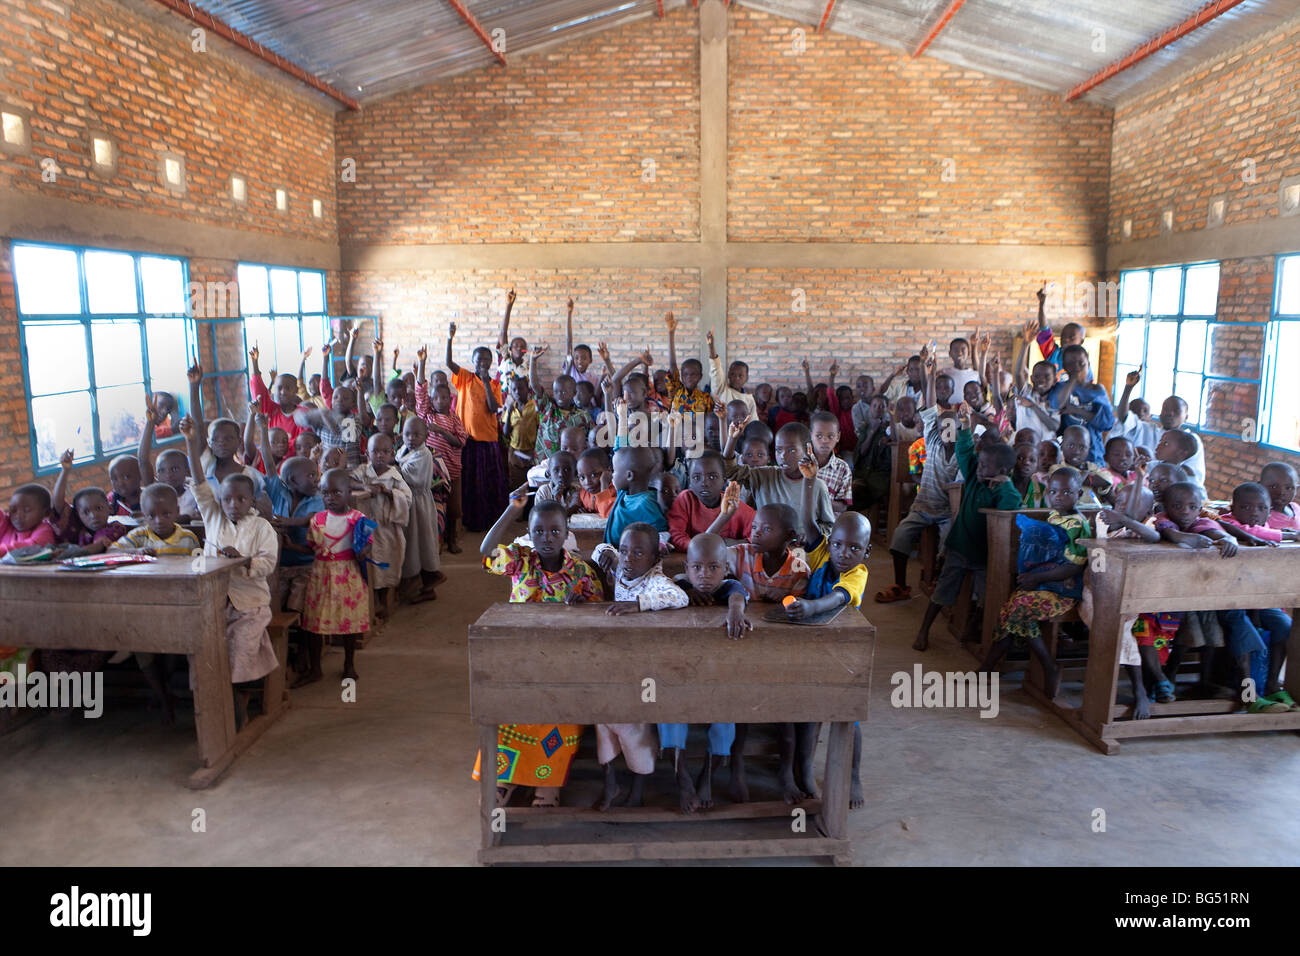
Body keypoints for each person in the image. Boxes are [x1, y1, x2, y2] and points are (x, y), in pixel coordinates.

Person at [474, 493, 603, 808]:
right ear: (529, 534)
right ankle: (506, 778)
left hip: (564, 662)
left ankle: (546, 781)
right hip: (522, 659)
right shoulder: (521, 559)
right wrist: (511, 509)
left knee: (561, 711)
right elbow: (487, 552)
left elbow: (600, 615)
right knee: (509, 708)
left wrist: (583, 606)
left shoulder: (580, 572)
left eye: (555, 531)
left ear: (566, 533)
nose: (547, 538)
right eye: (539, 531)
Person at [179, 415, 279, 722]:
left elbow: (267, 563)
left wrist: (244, 561)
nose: (233, 504)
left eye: (240, 499)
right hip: (215, 602)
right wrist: (189, 440)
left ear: (251, 500)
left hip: (250, 604)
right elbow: (198, 485)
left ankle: (238, 704)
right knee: (204, 651)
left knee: (240, 654)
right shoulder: (213, 518)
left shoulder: (262, 527)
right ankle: (211, 704)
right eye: (227, 499)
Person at [589, 523, 689, 809]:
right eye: (624, 551)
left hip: (646, 670)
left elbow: (679, 597)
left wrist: (638, 604)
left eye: (637, 553)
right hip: (618, 664)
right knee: (603, 718)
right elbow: (600, 549)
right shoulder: (621, 567)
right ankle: (611, 781)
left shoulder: (654, 580)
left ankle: (638, 786)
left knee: (638, 726)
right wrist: (608, 551)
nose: (629, 559)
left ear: (654, 559)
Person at [911, 413, 1020, 652]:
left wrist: (1005, 485)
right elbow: (964, 449)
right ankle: (924, 630)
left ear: (1002, 471)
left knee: (985, 596)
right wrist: (965, 426)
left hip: (984, 555)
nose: (979, 469)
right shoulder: (972, 477)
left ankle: (973, 624)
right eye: (979, 464)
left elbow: (1008, 513)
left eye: (985, 466)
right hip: (959, 548)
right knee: (942, 592)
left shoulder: (1006, 492)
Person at [981, 466, 1091, 700]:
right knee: (1011, 607)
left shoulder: (1078, 524)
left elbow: (1074, 566)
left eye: (1065, 492)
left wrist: (1036, 577)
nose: (1058, 497)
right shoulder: (1055, 515)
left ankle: (1046, 666)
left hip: (1065, 591)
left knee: (1019, 607)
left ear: (1078, 494)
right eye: (1053, 492)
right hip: (1045, 583)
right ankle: (989, 666)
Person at [664, 532, 752, 812]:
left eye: (714, 567)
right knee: (668, 720)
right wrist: (685, 592)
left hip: (719, 680)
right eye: (697, 567)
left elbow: (738, 593)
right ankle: (683, 778)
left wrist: (735, 612)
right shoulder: (678, 586)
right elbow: (673, 585)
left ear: (725, 569)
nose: (705, 575)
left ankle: (707, 775)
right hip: (679, 679)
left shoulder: (728, 588)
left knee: (725, 722)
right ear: (687, 568)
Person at [294, 468, 372, 686]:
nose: (330, 497)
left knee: (349, 622)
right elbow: (313, 548)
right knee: (315, 623)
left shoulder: (359, 519)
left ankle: (349, 664)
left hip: (349, 576)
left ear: (349, 492)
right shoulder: (317, 520)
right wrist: (294, 547)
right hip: (321, 575)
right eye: (325, 493)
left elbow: (369, 544)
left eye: (337, 492)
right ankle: (315, 668)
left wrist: (364, 551)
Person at [722, 421, 836, 540]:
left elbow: (829, 527)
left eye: (791, 450)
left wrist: (809, 535)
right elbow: (730, 471)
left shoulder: (817, 486)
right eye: (778, 450)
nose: (783, 456)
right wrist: (732, 439)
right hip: (766, 545)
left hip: (800, 550)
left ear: (808, 450)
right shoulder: (764, 475)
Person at [447, 322, 508, 531]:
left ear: (491, 362)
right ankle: (472, 521)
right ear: (473, 361)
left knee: (489, 483)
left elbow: (493, 408)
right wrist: (450, 338)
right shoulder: (465, 378)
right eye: (478, 359)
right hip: (467, 441)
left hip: (488, 441)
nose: (482, 362)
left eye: (486, 359)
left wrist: (485, 382)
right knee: (471, 483)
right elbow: (449, 362)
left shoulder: (495, 384)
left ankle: (491, 521)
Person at [352, 433, 413, 619]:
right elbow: (348, 481)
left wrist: (390, 493)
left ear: (392, 453)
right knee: (370, 564)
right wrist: (366, 487)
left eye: (385, 452)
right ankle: (374, 601)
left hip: (387, 528)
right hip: (367, 528)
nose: (380, 455)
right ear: (367, 453)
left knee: (388, 561)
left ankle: (386, 599)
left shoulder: (395, 476)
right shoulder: (363, 471)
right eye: (375, 451)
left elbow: (407, 498)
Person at [415, 347, 468, 553]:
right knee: (435, 507)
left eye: (444, 398)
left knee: (454, 508)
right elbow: (420, 393)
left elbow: (460, 441)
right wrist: (422, 363)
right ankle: (435, 541)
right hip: (432, 471)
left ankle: (452, 539)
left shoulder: (455, 419)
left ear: (450, 399)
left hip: (452, 470)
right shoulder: (427, 414)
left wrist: (440, 432)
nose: (440, 401)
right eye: (435, 398)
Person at [263, 455, 323, 615]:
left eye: (316, 475)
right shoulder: (279, 494)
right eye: (311, 475)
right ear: (293, 481)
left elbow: (312, 520)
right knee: (275, 600)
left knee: (297, 605)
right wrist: (263, 430)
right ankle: (285, 636)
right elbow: (269, 465)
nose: (317, 479)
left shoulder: (317, 499)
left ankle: (305, 635)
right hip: (281, 565)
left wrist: (290, 522)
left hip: (307, 564)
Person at [395, 417, 442, 604]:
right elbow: (399, 461)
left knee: (420, 541)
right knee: (414, 542)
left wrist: (393, 467)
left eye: (416, 434)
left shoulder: (424, 454)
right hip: (410, 502)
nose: (411, 438)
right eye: (407, 434)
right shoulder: (405, 449)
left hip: (419, 502)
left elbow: (406, 476)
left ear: (426, 436)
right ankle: (423, 580)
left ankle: (427, 579)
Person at [667, 453, 754, 551]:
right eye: (696, 477)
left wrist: (732, 544)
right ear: (689, 480)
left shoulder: (734, 506)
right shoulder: (685, 500)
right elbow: (676, 538)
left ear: (724, 480)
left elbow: (757, 538)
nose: (704, 483)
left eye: (712, 477)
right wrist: (724, 517)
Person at [1047, 344, 1113, 465]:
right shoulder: (1061, 388)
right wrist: (1072, 381)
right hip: (1067, 457)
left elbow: (1107, 423)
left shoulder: (1097, 390)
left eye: (1081, 363)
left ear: (1088, 364)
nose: (1077, 368)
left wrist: (1077, 410)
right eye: (1071, 364)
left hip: (1093, 456)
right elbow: (1055, 405)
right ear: (1065, 367)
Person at [603, 445, 668, 546]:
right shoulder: (623, 494)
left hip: (630, 556)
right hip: (611, 552)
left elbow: (660, 531)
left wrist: (660, 544)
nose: (612, 475)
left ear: (629, 475)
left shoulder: (646, 503)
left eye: (614, 471)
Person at [705, 329, 756, 422]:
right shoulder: (722, 390)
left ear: (747, 378)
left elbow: (753, 423)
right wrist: (711, 347)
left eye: (740, 376)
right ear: (728, 375)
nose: (736, 378)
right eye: (733, 374)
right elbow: (716, 369)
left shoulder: (749, 400)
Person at [0, 483, 58, 555]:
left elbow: (32, 547)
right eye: (13, 510)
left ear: (46, 513)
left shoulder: (45, 530)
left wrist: (2, 550)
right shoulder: (6, 524)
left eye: (26, 510)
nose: (18, 515)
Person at [1262, 462, 1299, 531]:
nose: (1281, 493)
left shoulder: (1295, 508)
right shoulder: (1259, 514)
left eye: (1289, 488)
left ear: (1296, 489)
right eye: (1273, 487)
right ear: (1260, 486)